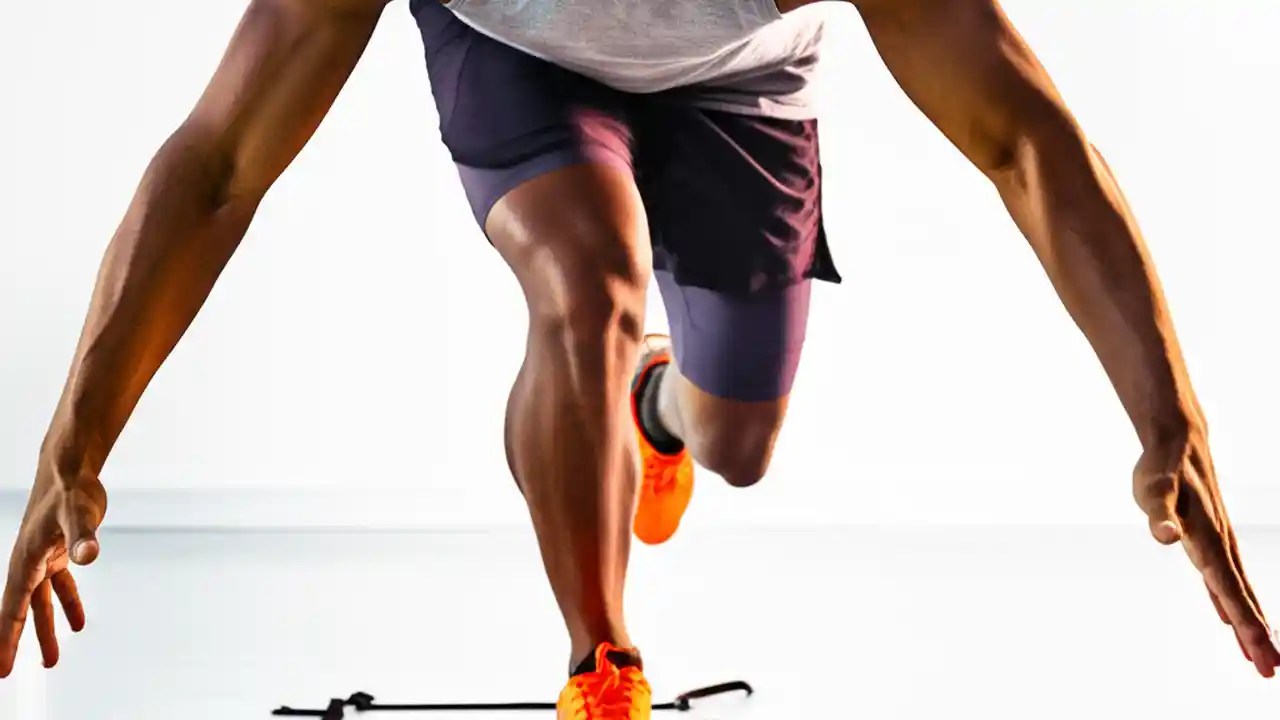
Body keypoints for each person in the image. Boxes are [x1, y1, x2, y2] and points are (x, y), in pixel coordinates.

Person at [1, 0, 1275, 716]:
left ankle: (650, 409)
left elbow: (1026, 142)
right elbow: (221, 163)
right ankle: (600, 659)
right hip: (515, 51)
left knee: (738, 445)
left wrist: (1167, 417)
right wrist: (77, 440)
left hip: (742, 81)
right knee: (590, 284)